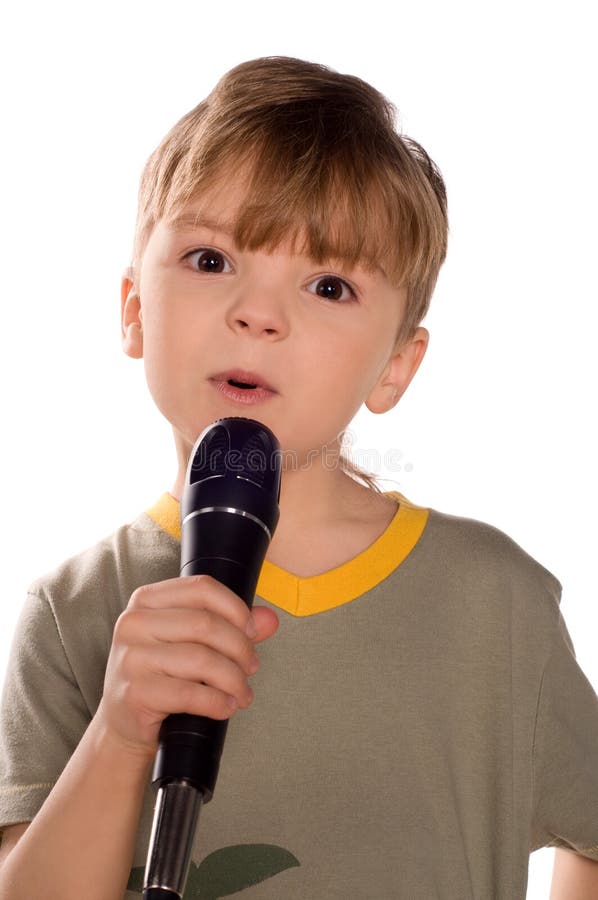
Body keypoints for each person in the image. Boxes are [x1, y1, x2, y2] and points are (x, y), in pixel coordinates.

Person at [0, 56, 597, 900]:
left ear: (397, 364)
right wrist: (119, 735)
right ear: (134, 308)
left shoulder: (494, 602)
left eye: (327, 283)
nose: (259, 313)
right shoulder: (73, 611)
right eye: (211, 260)